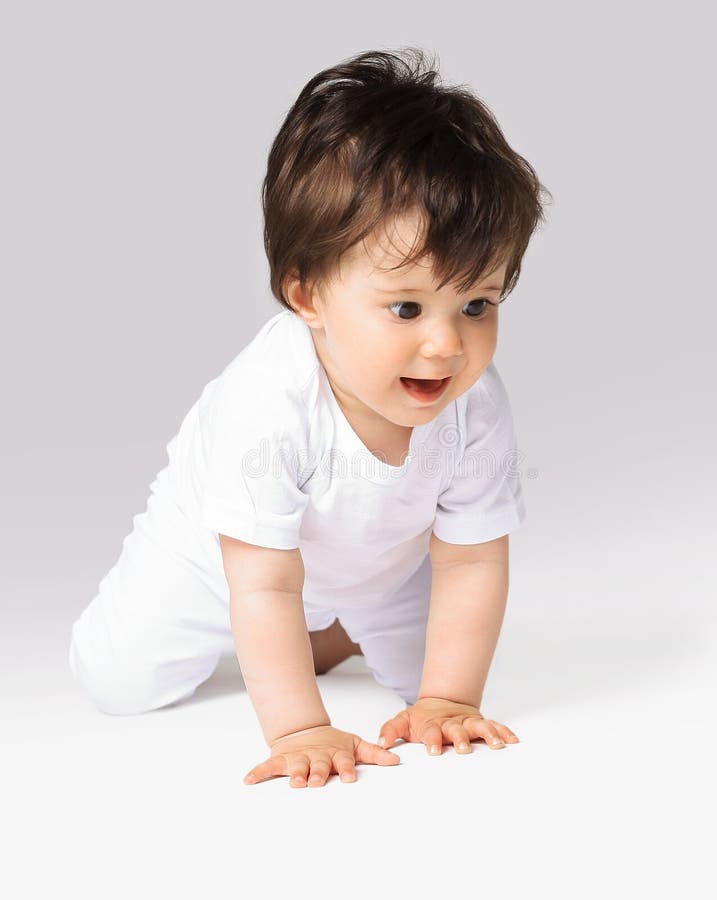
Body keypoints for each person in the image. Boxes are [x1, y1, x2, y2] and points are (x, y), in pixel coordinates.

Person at [68, 47, 550, 789]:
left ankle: (329, 628)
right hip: (221, 566)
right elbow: (262, 583)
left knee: (426, 683)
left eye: (477, 304)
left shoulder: (473, 403)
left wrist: (449, 698)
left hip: (379, 568)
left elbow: (471, 559)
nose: (447, 345)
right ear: (306, 295)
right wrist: (301, 728)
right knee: (119, 682)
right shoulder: (267, 402)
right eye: (406, 307)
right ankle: (302, 633)